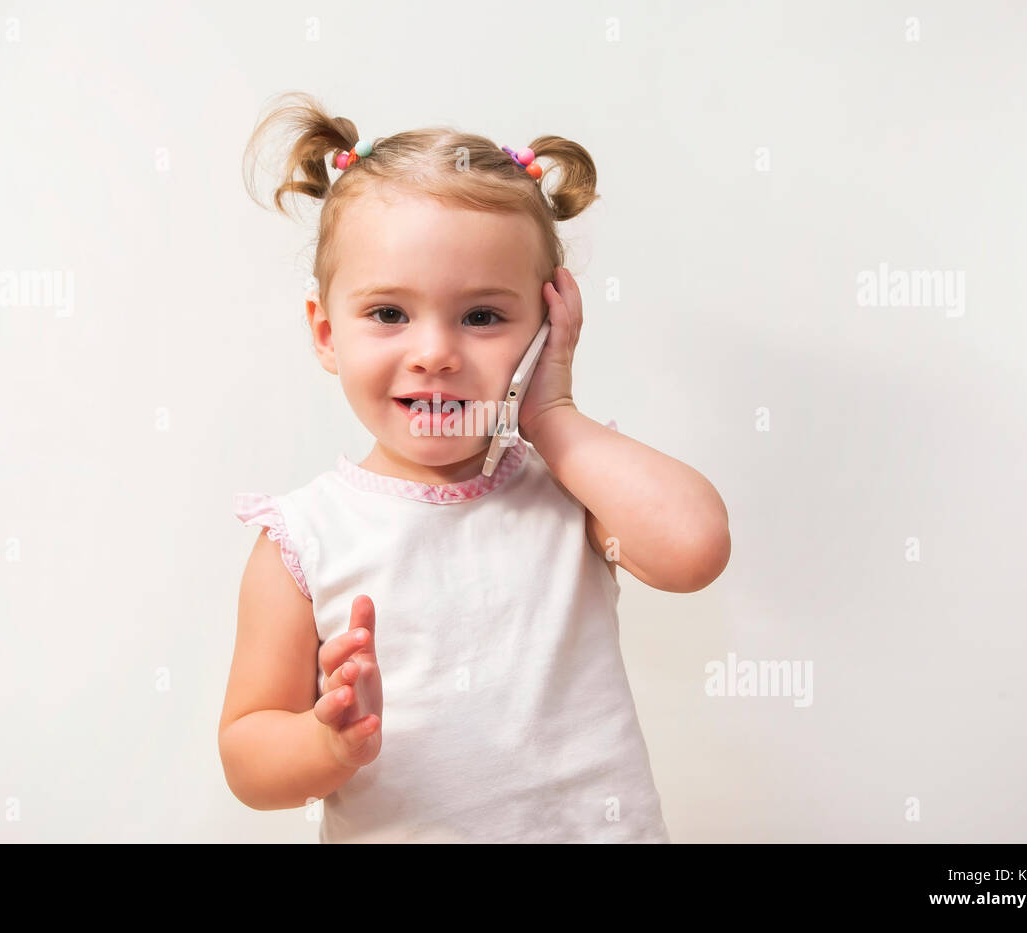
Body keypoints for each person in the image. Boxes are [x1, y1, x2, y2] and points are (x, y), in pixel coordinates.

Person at [218, 91, 731, 843]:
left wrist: (552, 414)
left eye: (482, 316)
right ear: (327, 334)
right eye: (389, 313)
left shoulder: (569, 485)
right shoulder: (305, 539)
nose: (436, 352)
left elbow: (695, 549)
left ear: (548, 324)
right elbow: (246, 752)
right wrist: (327, 744)